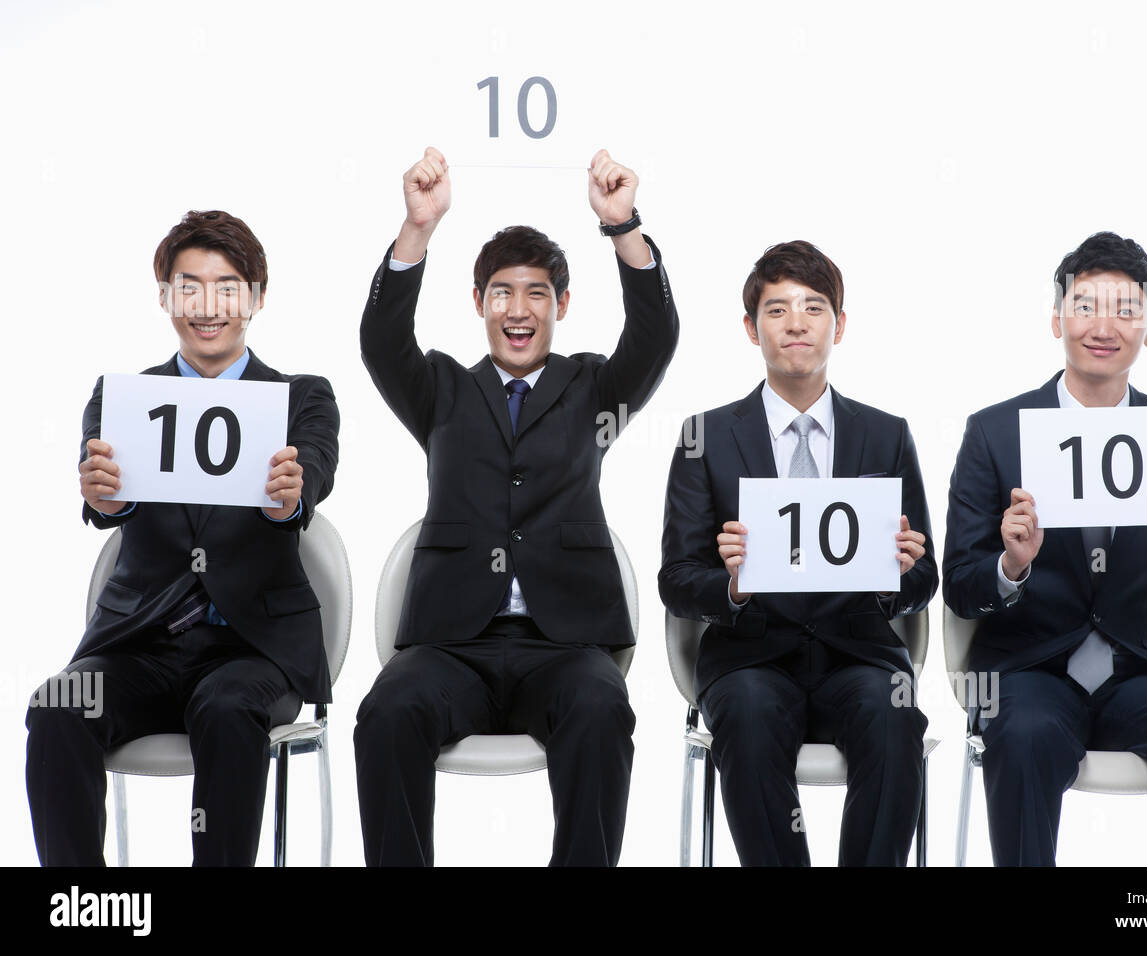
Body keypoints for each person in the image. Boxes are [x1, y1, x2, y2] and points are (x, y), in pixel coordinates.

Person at [354, 146, 678, 866]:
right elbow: (381, 340)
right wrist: (417, 228)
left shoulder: (594, 390)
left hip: (564, 646)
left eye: (537, 293)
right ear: (478, 304)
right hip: (451, 646)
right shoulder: (439, 391)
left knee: (601, 710)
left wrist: (623, 226)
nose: (519, 309)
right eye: (502, 292)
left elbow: (656, 338)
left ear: (561, 306)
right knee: (386, 712)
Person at [26, 209, 340, 865]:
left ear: (255, 297)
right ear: (166, 296)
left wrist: (290, 498)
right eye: (188, 285)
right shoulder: (124, 397)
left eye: (227, 286)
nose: (207, 305)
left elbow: (313, 475)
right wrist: (107, 496)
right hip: (141, 645)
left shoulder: (301, 397)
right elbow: (106, 501)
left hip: (254, 650)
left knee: (226, 707)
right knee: (57, 705)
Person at [942, 231, 1147, 866]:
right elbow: (960, 587)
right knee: (1024, 736)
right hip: (1028, 670)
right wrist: (1011, 565)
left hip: (1144, 670)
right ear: (1057, 316)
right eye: (1085, 306)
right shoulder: (995, 433)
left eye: (1126, 309)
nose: (1103, 325)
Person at [659, 240, 934, 865]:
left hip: (860, 651)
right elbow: (676, 581)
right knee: (751, 720)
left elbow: (924, 582)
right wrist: (730, 586)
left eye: (814, 307)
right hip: (749, 656)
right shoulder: (706, 438)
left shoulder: (885, 434)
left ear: (840, 323)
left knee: (894, 721)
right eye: (777, 310)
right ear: (751, 328)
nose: (797, 323)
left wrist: (900, 574)